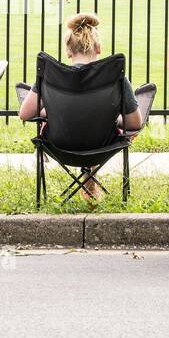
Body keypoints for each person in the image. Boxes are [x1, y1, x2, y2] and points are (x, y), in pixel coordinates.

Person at [18, 12, 143, 201]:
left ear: (68, 51)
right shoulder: (115, 77)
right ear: (99, 48)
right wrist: (112, 117)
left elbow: (25, 114)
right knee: (98, 124)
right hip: (103, 145)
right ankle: (90, 184)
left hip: (59, 145)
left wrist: (51, 110)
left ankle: (88, 184)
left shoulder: (50, 76)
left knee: (77, 121)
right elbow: (134, 123)